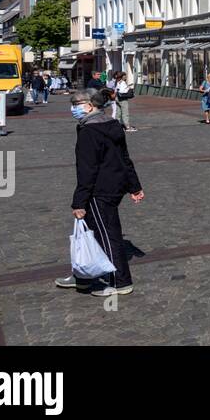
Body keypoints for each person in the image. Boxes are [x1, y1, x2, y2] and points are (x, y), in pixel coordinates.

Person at [54, 89, 144, 296]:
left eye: (76, 105)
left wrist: (79, 202)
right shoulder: (111, 124)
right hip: (115, 186)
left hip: (100, 190)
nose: (73, 109)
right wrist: (134, 186)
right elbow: (124, 158)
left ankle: (119, 282)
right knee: (90, 233)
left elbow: (87, 169)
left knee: (107, 235)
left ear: (90, 106)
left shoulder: (89, 131)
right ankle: (83, 276)